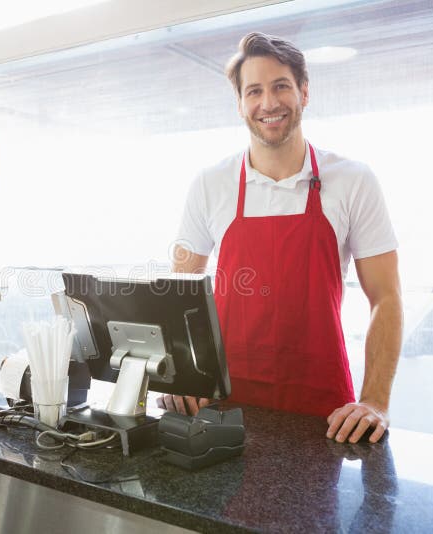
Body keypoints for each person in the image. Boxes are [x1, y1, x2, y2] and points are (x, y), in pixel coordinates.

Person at [157, 32, 403, 444]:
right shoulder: (209, 184)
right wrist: (179, 375)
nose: (268, 103)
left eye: (281, 86)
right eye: (254, 91)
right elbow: (180, 289)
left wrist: (375, 401)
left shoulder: (353, 180)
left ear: (304, 92)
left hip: (324, 414)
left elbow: (387, 298)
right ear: (239, 104)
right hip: (224, 405)